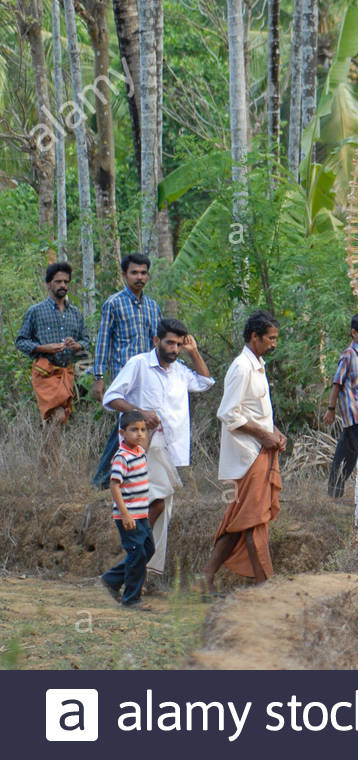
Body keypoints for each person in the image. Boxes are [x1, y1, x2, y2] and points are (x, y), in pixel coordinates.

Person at [102, 318, 214, 577]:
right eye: (170, 343)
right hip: (142, 449)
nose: (174, 349)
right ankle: (128, 570)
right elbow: (111, 398)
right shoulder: (139, 364)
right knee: (153, 505)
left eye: (178, 344)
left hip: (170, 449)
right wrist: (139, 412)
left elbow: (206, 382)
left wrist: (193, 351)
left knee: (162, 507)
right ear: (156, 341)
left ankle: (144, 573)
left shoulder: (180, 370)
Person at [200, 311, 287, 592]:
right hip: (249, 456)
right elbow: (227, 413)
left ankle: (206, 578)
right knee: (253, 522)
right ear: (254, 337)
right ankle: (265, 589)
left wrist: (273, 432)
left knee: (240, 520)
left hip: (259, 451)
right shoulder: (242, 367)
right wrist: (264, 435)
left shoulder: (257, 365)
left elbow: (254, 412)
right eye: (270, 338)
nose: (274, 344)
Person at [91, 253, 162, 488]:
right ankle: (102, 479)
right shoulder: (113, 303)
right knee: (126, 424)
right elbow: (103, 341)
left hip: (148, 377)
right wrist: (99, 377)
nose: (139, 277)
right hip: (124, 378)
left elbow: (158, 343)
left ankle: (131, 477)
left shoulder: (153, 306)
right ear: (124, 275)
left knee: (136, 427)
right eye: (134, 272)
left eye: (143, 273)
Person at [15, 262, 89, 467]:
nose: (62, 285)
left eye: (66, 281)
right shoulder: (35, 311)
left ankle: (46, 465)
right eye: (58, 281)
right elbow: (21, 341)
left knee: (58, 418)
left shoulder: (75, 313)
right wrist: (44, 348)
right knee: (55, 416)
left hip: (67, 372)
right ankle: (54, 464)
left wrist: (77, 345)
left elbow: (86, 339)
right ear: (49, 284)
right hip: (45, 371)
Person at [100, 410, 155, 610]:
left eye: (143, 430)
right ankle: (131, 599)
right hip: (129, 515)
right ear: (122, 433)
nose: (140, 434)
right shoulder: (122, 457)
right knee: (136, 553)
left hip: (141, 514)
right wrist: (125, 514)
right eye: (134, 430)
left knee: (146, 551)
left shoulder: (139, 451)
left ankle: (110, 581)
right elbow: (114, 486)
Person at [324, 314, 358, 498]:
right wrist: (331, 409)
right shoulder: (349, 355)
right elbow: (337, 383)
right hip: (356, 415)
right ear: (354, 333)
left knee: (346, 454)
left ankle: (334, 493)